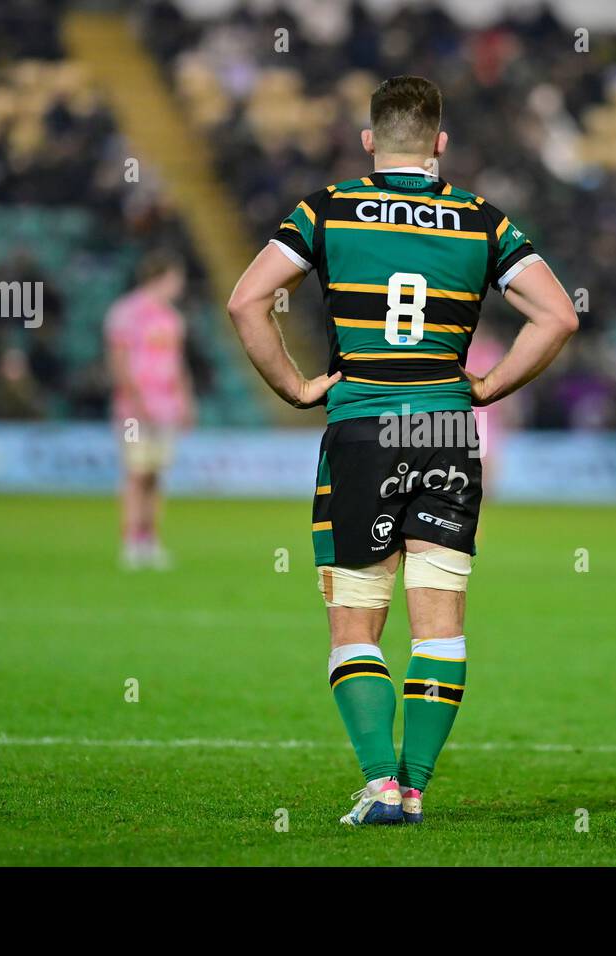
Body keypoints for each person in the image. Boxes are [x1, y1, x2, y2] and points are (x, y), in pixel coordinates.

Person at [226, 75, 578, 825]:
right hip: (446, 427)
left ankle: (381, 783)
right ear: (440, 144)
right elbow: (556, 317)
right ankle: (414, 789)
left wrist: (293, 386)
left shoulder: (328, 208)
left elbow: (245, 300)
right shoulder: (482, 221)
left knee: (357, 620)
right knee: (440, 624)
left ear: (369, 141)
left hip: (362, 430)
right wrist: (486, 386)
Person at [105, 250, 194, 570]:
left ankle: (150, 539)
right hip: (135, 409)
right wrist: (136, 401)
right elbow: (119, 359)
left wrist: (185, 400)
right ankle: (130, 541)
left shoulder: (172, 318)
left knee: (156, 475)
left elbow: (177, 362)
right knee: (136, 473)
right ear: (162, 276)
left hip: (166, 407)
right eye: (176, 278)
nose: (180, 285)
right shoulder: (127, 312)